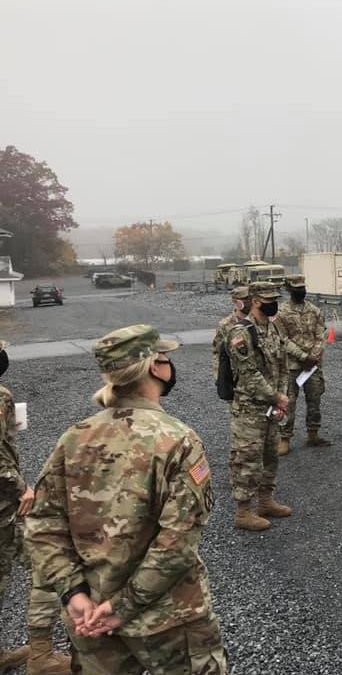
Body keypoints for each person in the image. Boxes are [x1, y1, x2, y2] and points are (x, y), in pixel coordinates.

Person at [26, 325, 227, 674]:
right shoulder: (178, 440)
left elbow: (42, 524)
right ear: (154, 366)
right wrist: (123, 607)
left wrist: (73, 594)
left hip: (91, 616)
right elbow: (177, 543)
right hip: (168, 619)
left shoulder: (73, 438)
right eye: (165, 357)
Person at [0, 340, 71, 675]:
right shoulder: (0, 396)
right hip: (5, 508)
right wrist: (22, 488)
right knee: (45, 561)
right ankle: (42, 656)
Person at [226, 281, 291, 531]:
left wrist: (282, 395)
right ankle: (243, 512)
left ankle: (265, 502)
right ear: (255, 301)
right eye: (269, 298)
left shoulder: (274, 329)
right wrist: (275, 397)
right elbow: (248, 374)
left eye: (275, 297)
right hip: (250, 409)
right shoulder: (241, 333)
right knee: (247, 459)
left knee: (270, 456)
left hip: (272, 407)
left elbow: (283, 365)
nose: (274, 302)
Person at [275, 274, 328, 453]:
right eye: (297, 289)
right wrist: (304, 357)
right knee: (288, 402)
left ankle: (313, 434)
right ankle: (285, 438)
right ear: (289, 290)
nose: (301, 292)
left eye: (303, 288)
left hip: (313, 365)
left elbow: (321, 335)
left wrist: (313, 356)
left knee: (315, 399)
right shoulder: (281, 312)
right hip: (292, 366)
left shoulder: (314, 310)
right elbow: (282, 339)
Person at [212, 285, 250, 380]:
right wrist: (220, 378)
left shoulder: (257, 320)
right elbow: (218, 353)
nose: (249, 301)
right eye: (245, 299)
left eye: (251, 298)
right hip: (236, 377)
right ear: (235, 301)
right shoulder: (226, 325)